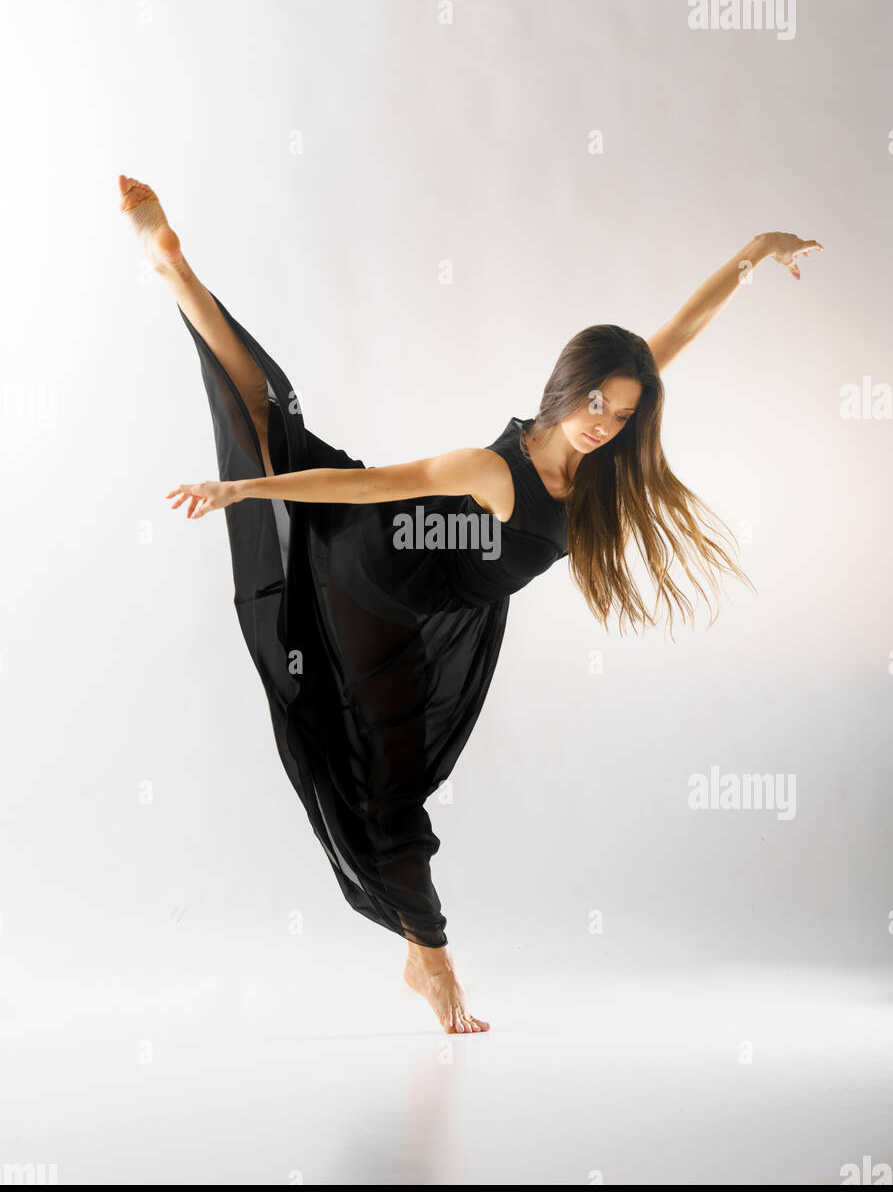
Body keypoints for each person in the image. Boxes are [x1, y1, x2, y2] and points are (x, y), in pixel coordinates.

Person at [119, 174, 821, 1033]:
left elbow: (675, 330)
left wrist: (753, 253)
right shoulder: (497, 470)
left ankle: (423, 952)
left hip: (440, 599)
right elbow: (371, 483)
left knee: (388, 779)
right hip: (377, 580)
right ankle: (433, 957)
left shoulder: (602, 444)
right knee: (386, 786)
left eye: (622, 412)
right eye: (595, 404)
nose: (605, 423)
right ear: (566, 391)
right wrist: (242, 492)